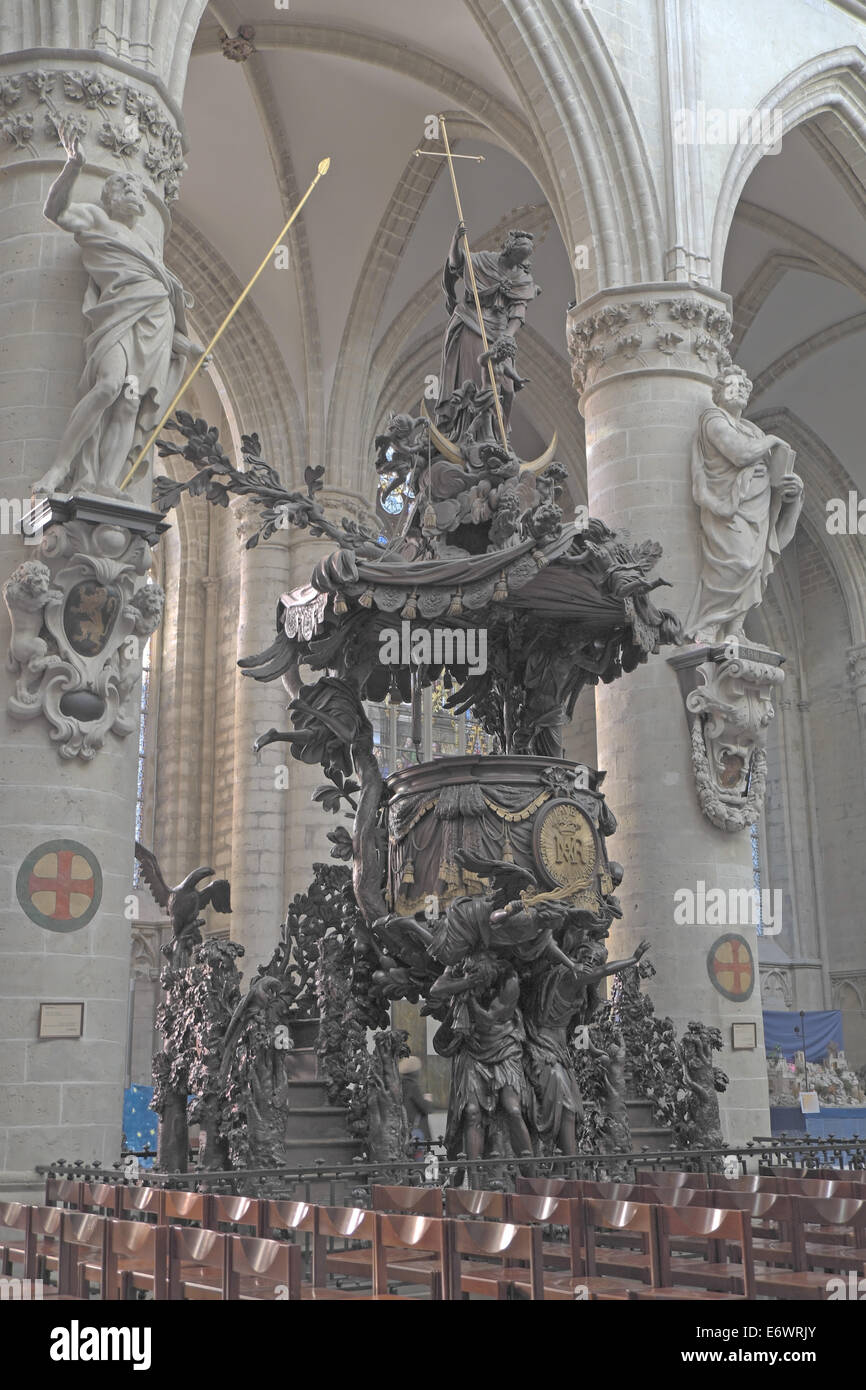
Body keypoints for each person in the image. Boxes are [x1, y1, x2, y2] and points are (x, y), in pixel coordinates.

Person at [34, 121, 205, 498]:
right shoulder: (97, 221)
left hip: (155, 324)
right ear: (109, 198)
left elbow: (162, 291)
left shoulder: (147, 240)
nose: (132, 191)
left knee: (129, 401)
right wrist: (73, 165)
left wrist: (187, 346)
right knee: (108, 385)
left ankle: (107, 482)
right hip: (116, 318)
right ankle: (62, 467)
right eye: (123, 186)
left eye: (136, 187)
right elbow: (55, 211)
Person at [685, 365, 803, 642]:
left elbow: (773, 469)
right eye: (731, 385)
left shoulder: (751, 429)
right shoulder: (713, 420)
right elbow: (739, 454)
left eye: (742, 386)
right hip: (729, 506)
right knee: (736, 561)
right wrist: (772, 439)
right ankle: (709, 625)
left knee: (755, 565)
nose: (738, 389)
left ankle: (735, 628)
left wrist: (791, 487)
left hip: (758, 507)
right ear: (719, 393)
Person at [398, 1055, 435, 1150]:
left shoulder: (400, 1085)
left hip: (405, 1131)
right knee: (419, 1158)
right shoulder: (413, 1086)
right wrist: (428, 1100)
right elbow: (426, 1108)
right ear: (414, 1072)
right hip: (417, 1131)